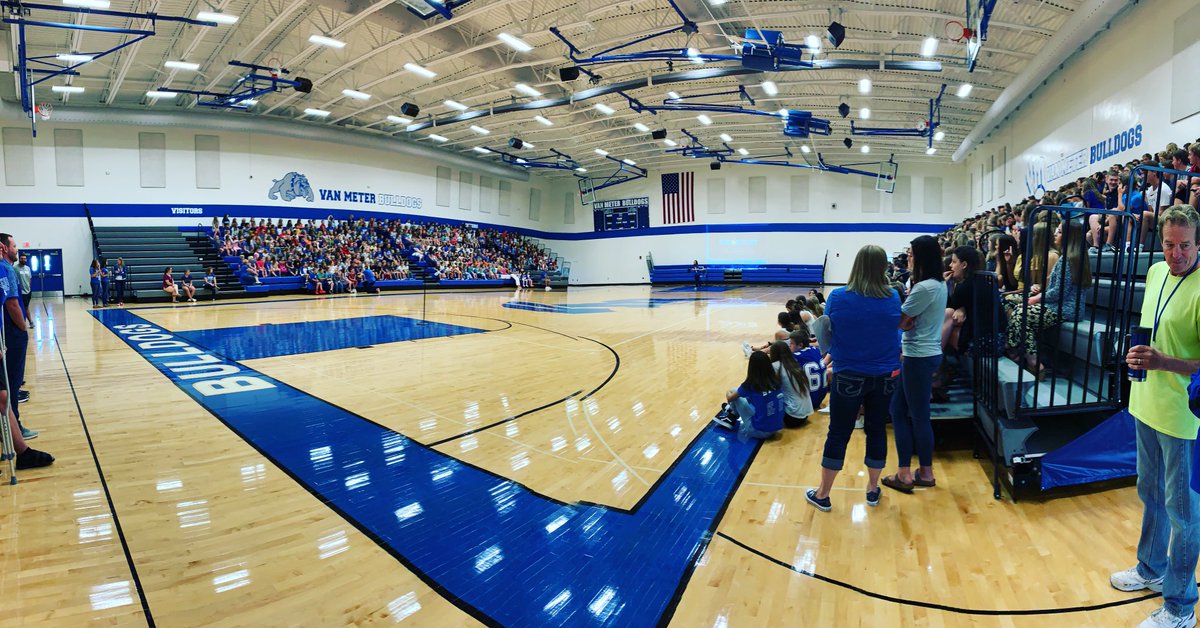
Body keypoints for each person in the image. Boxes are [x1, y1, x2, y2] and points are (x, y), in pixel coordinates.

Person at [1113, 205, 1200, 628]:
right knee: (1150, 494)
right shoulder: (1153, 272)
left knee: (1184, 514)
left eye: (1185, 246)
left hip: (1183, 418)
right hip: (1145, 404)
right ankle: (1151, 568)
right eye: (1169, 245)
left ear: (1198, 244)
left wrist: (1165, 362)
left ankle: (1181, 607)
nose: (1176, 254)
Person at [807, 245, 901, 512]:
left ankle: (823, 494)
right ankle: (872, 489)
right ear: (883, 267)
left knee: (838, 432)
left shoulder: (838, 296)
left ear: (857, 265)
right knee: (876, 430)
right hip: (885, 374)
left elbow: (826, 332)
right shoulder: (894, 296)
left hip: (848, 373)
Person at [883, 235, 948, 494]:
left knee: (917, 416)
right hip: (923, 353)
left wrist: (907, 320)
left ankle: (914, 473)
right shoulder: (937, 284)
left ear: (921, 256)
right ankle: (914, 471)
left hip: (918, 356)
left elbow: (900, 321)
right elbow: (907, 320)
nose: (908, 257)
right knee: (898, 410)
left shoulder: (924, 288)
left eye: (911, 253)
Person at [1006, 221, 1091, 379]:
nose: (1055, 234)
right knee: (1012, 305)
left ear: (1069, 236)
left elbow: (1059, 292)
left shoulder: (1069, 260)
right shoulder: (1069, 257)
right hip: (1058, 304)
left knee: (1021, 314)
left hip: (1065, 308)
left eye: (1059, 232)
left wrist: (1037, 298)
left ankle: (1031, 360)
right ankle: (1016, 350)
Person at [0, 234, 35, 440]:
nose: (17, 249)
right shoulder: (6, 269)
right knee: (12, 382)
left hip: (8, 331)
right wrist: (23, 328)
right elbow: (12, 304)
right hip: (12, 332)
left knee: (9, 383)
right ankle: (15, 430)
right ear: (5, 248)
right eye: (14, 246)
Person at [714, 351, 785, 442]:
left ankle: (731, 415)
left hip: (759, 431)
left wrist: (727, 392)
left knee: (733, 392)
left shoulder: (751, 384)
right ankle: (731, 413)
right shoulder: (776, 380)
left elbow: (730, 398)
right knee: (752, 397)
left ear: (752, 367)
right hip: (777, 428)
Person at [768, 340, 812, 427]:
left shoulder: (775, 366)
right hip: (805, 414)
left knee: (769, 396)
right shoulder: (794, 362)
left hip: (791, 417)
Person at [16, 254, 31, 323]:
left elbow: (30, 279)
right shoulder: (15, 268)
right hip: (21, 292)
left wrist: (29, 288)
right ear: (19, 259)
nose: (23, 260)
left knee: (26, 307)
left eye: (25, 259)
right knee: (24, 307)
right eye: (22, 258)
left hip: (28, 292)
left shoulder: (28, 268)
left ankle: (26, 321)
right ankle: (27, 322)